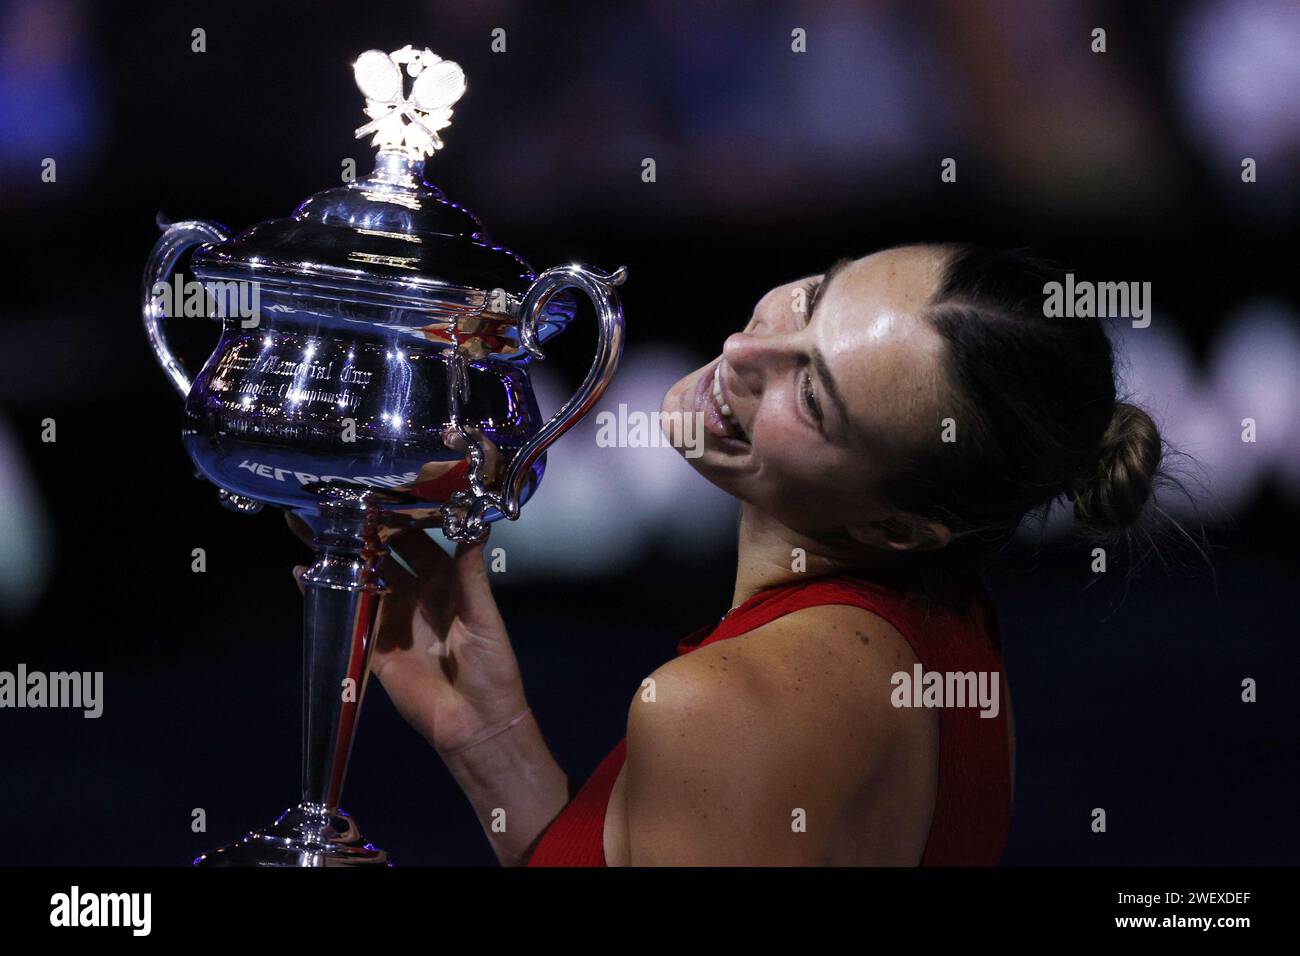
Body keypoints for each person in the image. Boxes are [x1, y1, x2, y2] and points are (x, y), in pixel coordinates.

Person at [291, 243, 1164, 866]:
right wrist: (491, 739)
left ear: (899, 528)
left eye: (813, 395)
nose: (747, 351)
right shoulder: (951, 637)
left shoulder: (724, 707)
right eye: (815, 297)